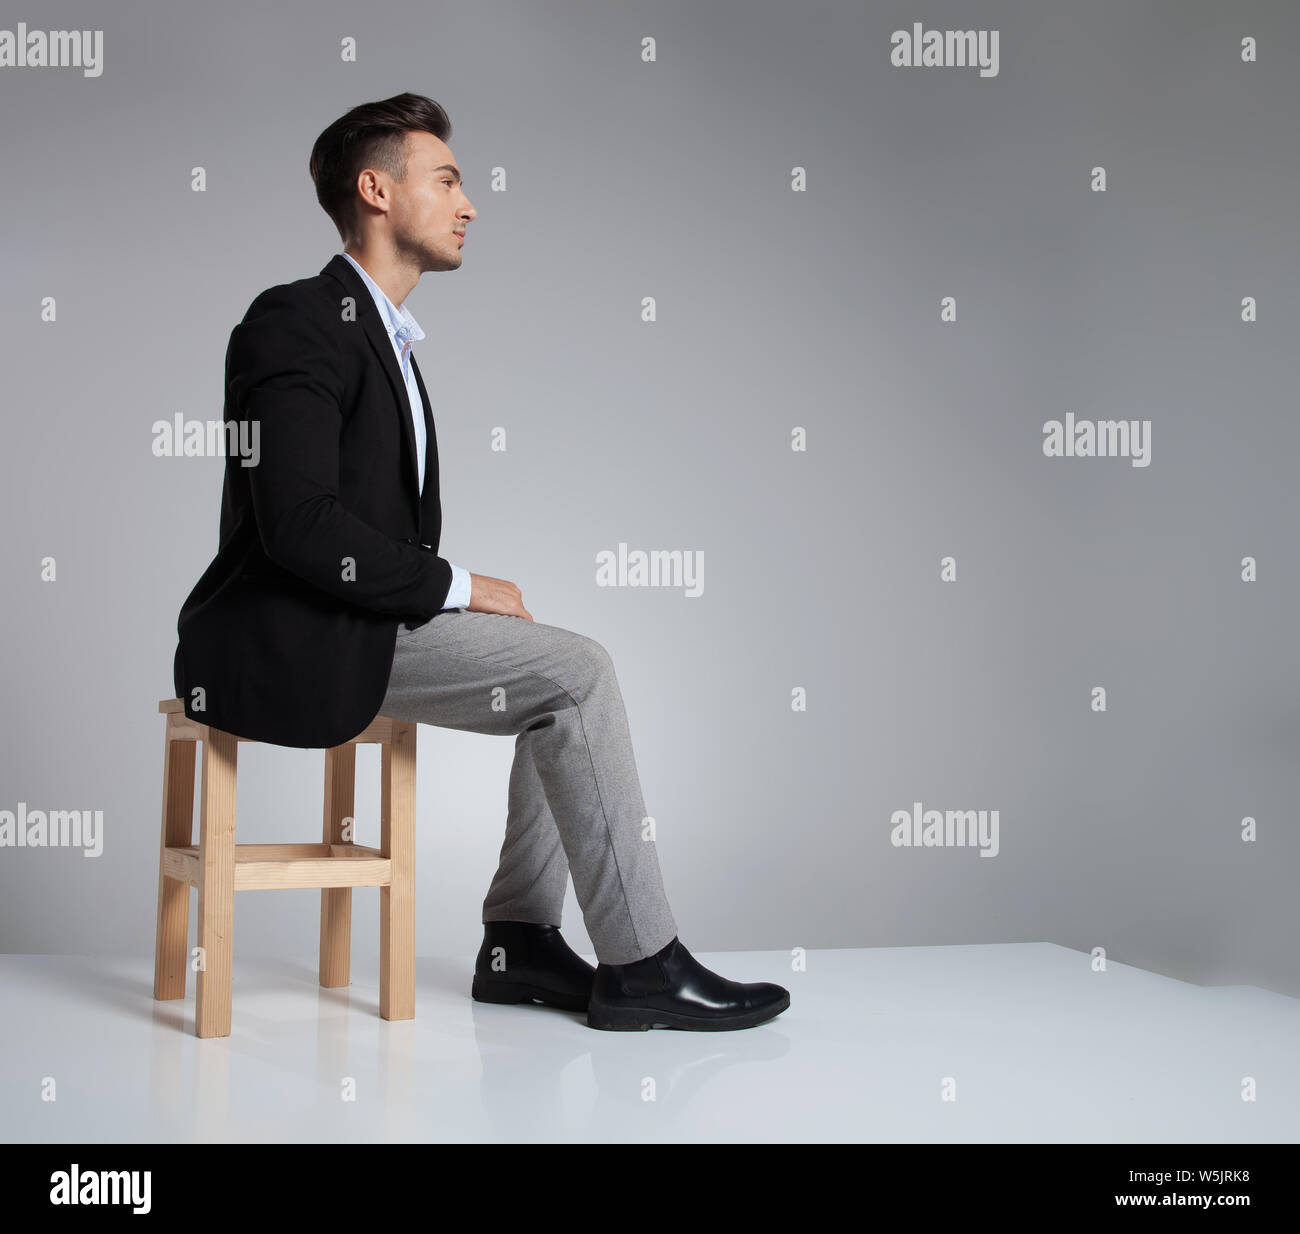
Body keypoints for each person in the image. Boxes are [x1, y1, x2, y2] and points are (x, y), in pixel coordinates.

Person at [171, 92, 789, 1032]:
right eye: (449, 179)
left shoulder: (390, 342)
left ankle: (519, 946)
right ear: (376, 190)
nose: (470, 204)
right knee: (576, 675)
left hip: (362, 622)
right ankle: (642, 966)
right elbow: (296, 524)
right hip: (288, 633)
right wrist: (457, 585)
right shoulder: (293, 322)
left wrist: (449, 597)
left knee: (545, 668)